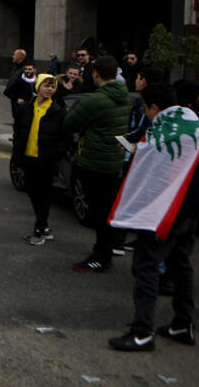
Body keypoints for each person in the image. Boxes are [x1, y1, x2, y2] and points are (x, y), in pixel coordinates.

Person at [105, 84, 199, 351]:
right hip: (190, 207)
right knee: (180, 264)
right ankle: (183, 324)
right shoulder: (193, 122)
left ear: (153, 107)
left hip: (164, 211)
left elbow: (150, 174)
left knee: (146, 265)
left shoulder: (159, 135)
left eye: (147, 110)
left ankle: (142, 331)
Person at [63, 55, 131, 273]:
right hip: (114, 160)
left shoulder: (95, 100)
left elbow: (69, 122)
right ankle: (105, 251)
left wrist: (87, 127)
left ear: (96, 74)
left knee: (99, 213)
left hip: (94, 160)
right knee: (107, 209)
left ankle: (101, 255)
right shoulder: (124, 98)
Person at [12, 74, 68, 246]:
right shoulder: (25, 108)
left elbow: (65, 139)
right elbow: (18, 132)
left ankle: (40, 226)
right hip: (28, 157)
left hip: (45, 160)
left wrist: (55, 155)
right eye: (46, 85)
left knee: (43, 194)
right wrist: (17, 154)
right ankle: (42, 224)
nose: (49, 89)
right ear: (38, 87)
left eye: (52, 86)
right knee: (31, 190)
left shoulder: (58, 111)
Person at [3, 61, 38, 125]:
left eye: (30, 69)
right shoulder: (18, 80)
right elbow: (7, 92)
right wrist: (17, 99)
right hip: (21, 110)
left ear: (35, 70)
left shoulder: (38, 81)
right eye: (26, 69)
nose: (27, 71)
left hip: (34, 109)